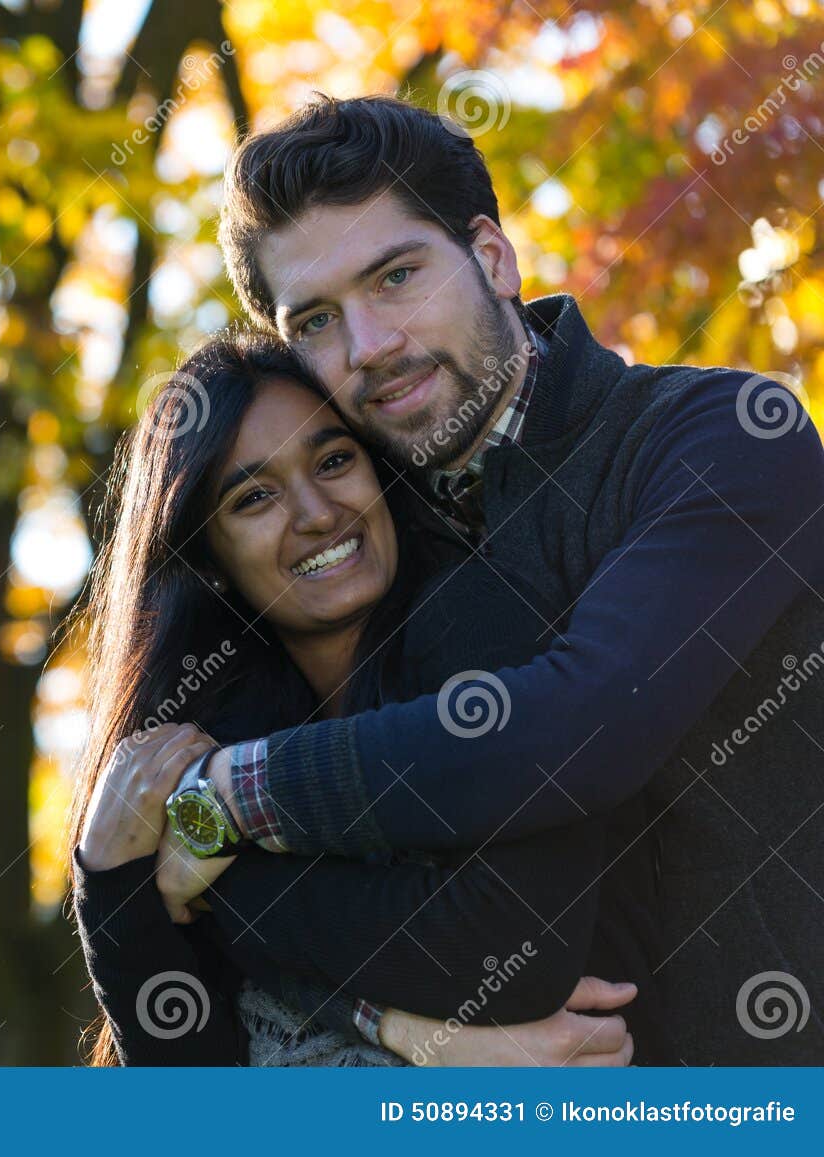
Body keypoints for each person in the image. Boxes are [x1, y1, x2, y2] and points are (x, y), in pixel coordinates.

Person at [157, 92, 824, 1064]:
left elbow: (580, 724)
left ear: (493, 257)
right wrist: (394, 1026)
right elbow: (210, 928)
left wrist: (227, 795)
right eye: (317, 321)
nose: (369, 345)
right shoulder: (357, 547)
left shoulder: (719, 437)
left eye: (395, 276)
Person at [70, 330, 642, 1065]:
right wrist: (112, 890)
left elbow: (514, 944)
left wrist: (232, 879)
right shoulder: (208, 735)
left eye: (334, 459)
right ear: (209, 560)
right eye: (255, 497)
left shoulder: (481, 624)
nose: (316, 512)